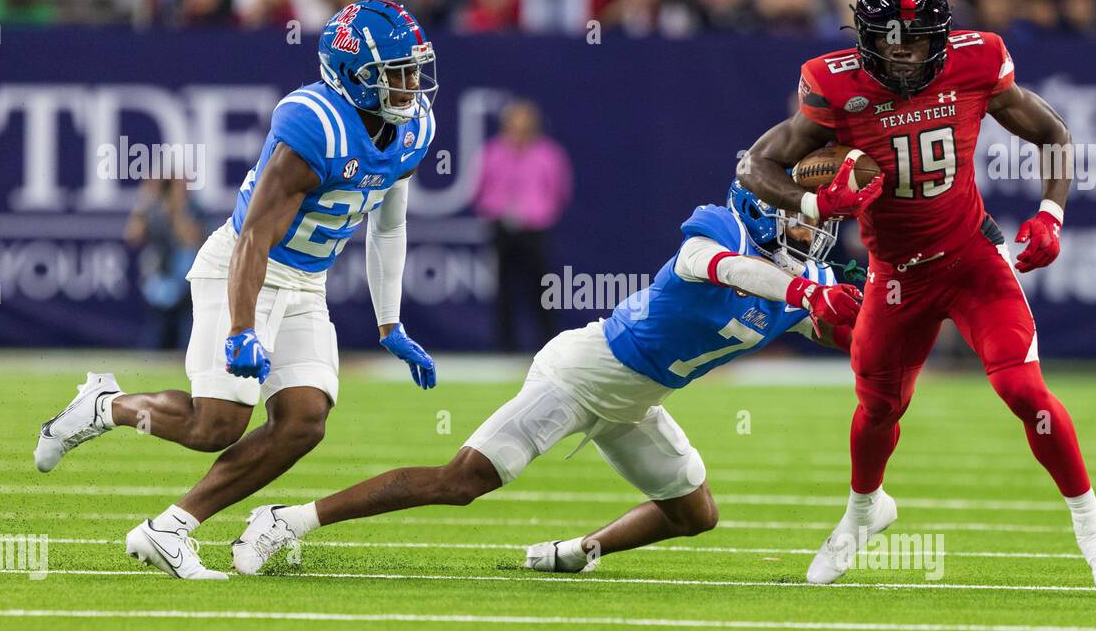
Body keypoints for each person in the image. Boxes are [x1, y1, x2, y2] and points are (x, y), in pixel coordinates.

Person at [229, 162, 878, 576]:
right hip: (585, 370)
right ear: (768, 208)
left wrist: (885, 315)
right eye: (800, 214)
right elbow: (713, 266)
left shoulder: (808, 279)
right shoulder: (722, 230)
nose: (810, 232)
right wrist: (802, 293)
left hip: (634, 399)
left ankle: (576, 552)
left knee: (694, 514)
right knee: (461, 482)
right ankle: (286, 520)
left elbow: (841, 329)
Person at [736, 0, 1096, 598]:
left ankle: (1093, 527)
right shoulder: (833, 85)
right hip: (895, 277)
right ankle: (864, 511)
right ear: (864, 35)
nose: (900, 53)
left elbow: (1053, 131)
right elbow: (755, 164)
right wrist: (812, 205)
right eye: (888, 39)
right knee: (877, 410)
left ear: (940, 35)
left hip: (972, 261)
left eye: (914, 39)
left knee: (1024, 391)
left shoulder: (978, 62)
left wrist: (1052, 213)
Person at [32, 0, 440, 580]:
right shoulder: (314, 127)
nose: (409, 84)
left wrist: (390, 324)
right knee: (215, 424)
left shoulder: (414, 125)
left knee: (304, 421)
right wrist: (244, 327)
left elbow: (389, 222)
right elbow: (254, 235)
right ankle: (105, 406)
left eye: (411, 68)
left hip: (307, 280)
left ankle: (170, 529)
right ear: (351, 76)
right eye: (393, 72)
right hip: (247, 265)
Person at [472, 99, 573, 351]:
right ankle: (506, 346)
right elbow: (479, 186)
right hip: (501, 227)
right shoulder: (492, 152)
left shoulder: (548, 155)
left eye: (524, 125)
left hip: (534, 228)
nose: (518, 130)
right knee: (503, 287)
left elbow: (559, 189)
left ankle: (549, 344)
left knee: (541, 286)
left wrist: (540, 212)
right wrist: (492, 210)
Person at [124, 176, 203, 349]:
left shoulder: (194, 209)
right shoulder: (153, 209)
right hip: (159, 278)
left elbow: (191, 240)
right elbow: (132, 236)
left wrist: (178, 209)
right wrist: (144, 199)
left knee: (187, 334)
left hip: (185, 280)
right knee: (157, 334)